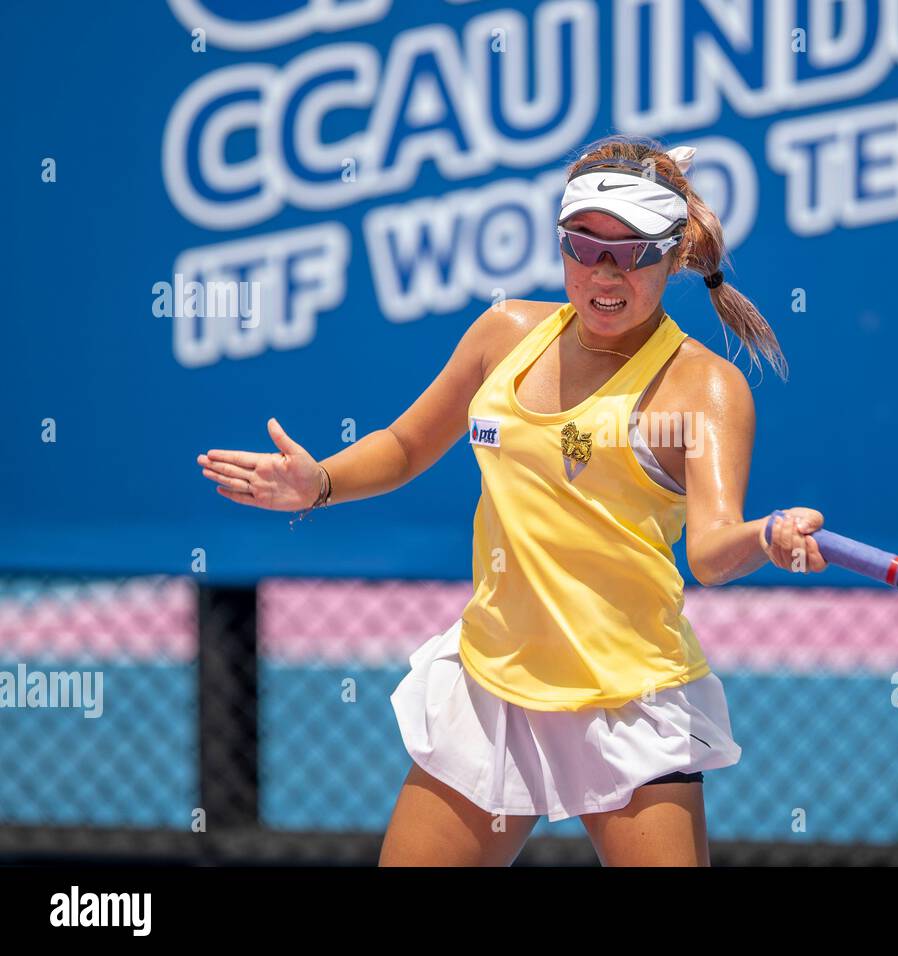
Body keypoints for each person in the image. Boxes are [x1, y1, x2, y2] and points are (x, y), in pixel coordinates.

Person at [196, 134, 827, 866]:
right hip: (492, 687)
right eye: (582, 245)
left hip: (628, 700)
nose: (603, 272)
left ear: (674, 254)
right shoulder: (506, 333)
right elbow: (405, 446)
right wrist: (321, 481)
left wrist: (765, 537)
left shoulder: (704, 387)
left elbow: (713, 551)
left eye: (631, 252)